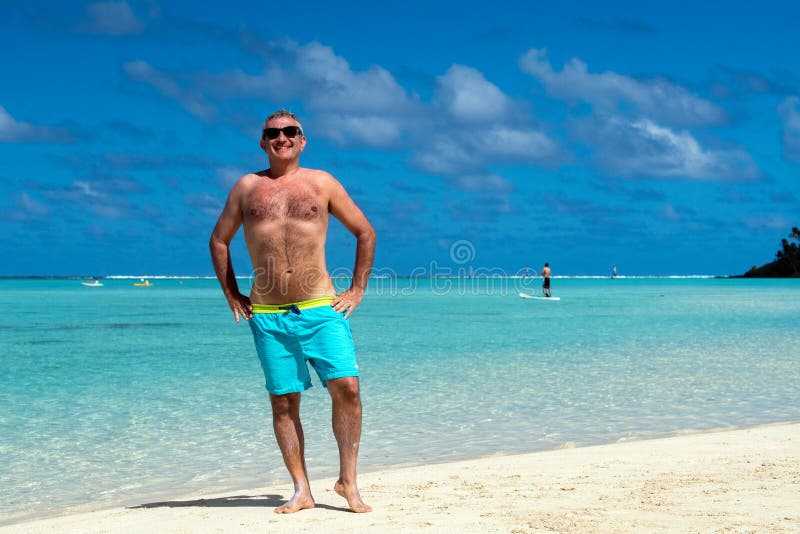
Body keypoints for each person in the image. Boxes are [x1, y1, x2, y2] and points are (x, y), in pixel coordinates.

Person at [209, 110, 376, 514]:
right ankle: (301, 490)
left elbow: (365, 232)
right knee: (284, 401)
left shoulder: (322, 183)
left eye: (290, 131)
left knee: (348, 389)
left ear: (303, 140)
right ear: (263, 142)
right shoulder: (247, 188)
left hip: (321, 306)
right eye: (273, 133)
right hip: (267, 313)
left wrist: (356, 290)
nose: (282, 137)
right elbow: (218, 241)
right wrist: (231, 294)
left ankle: (348, 482)